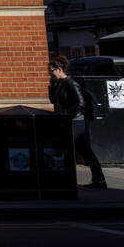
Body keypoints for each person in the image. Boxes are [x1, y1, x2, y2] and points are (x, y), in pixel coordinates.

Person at [49, 55, 106, 189]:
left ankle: (68, 180)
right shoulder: (60, 84)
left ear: (59, 69)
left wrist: (67, 115)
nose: (50, 74)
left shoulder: (71, 83)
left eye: (51, 71)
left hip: (75, 121)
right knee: (85, 151)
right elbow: (55, 102)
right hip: (70, 120)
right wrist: (52, 87)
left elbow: (80, 103)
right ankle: (99, 180)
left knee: (67, 149)